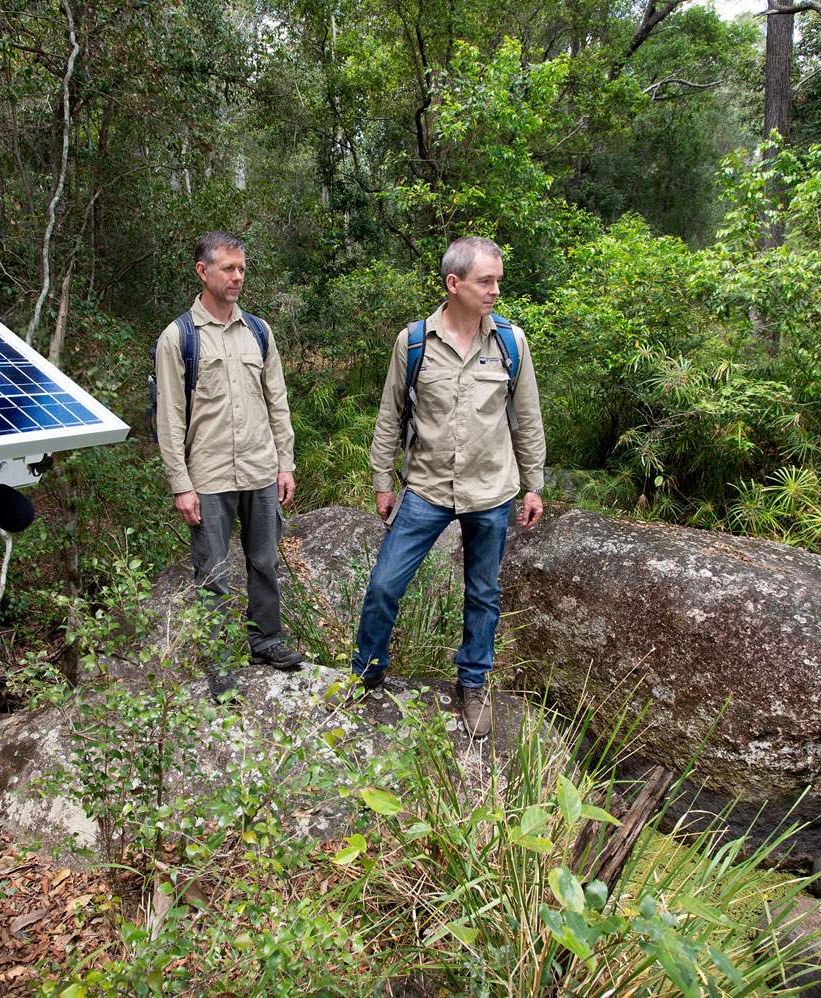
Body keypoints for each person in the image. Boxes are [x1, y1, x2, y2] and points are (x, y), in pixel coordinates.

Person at [347, 237, 546, 736]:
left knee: (483, 592)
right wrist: (381, 478)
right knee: (385, 583)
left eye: (498, 280)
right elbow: (390, 413)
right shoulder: (413, 342)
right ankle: (367, 674)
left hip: (490, 491)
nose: (495, 290)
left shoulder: (511, 343)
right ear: (453, 284)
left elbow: (527, 419)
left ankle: (473, 684)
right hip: (427, 489)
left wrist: (534, 484)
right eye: (486, 281)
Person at [154, 231, 305, 698]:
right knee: (212, 573)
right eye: (228, 269)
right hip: (210, 476)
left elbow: (276, 401)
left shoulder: (259, 332)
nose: (238, 277)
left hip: (261, 469)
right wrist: (181, 483)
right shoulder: (178, 337)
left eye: (241, 268)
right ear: (203, 271)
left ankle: (266, 641)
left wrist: (286, 462)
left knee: (264, 562)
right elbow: (170, 416)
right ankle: (219, 664)